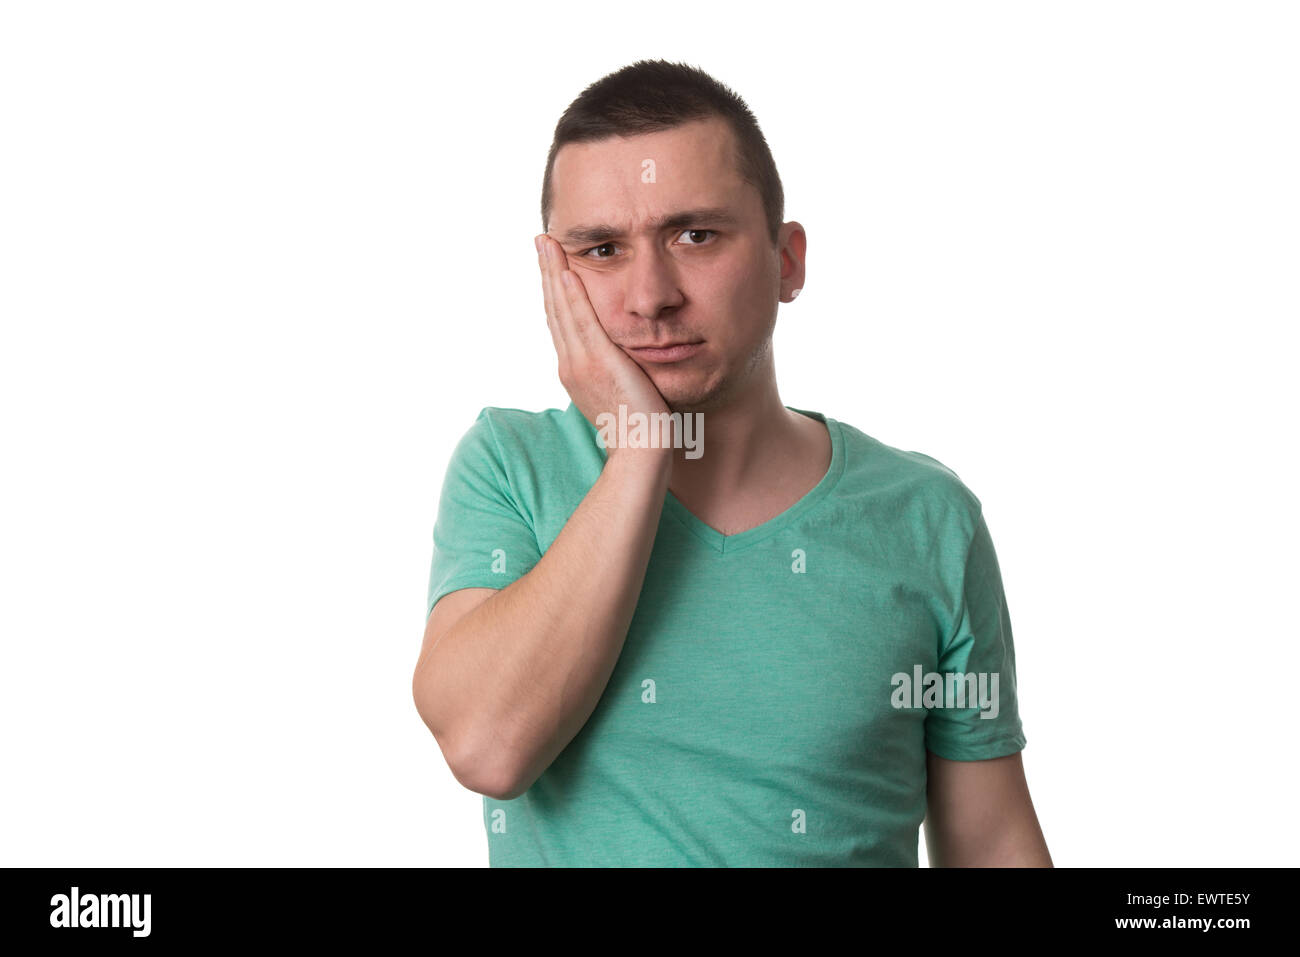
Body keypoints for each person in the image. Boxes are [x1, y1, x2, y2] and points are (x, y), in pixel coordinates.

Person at [412, 59, 1052, 867]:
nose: (651, 295)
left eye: (695, 235)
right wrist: (639, 453)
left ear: (788, 260)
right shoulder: (509, 466)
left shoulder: (930, 517)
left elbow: (990, 842)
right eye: (602, 248)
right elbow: (488, 747)